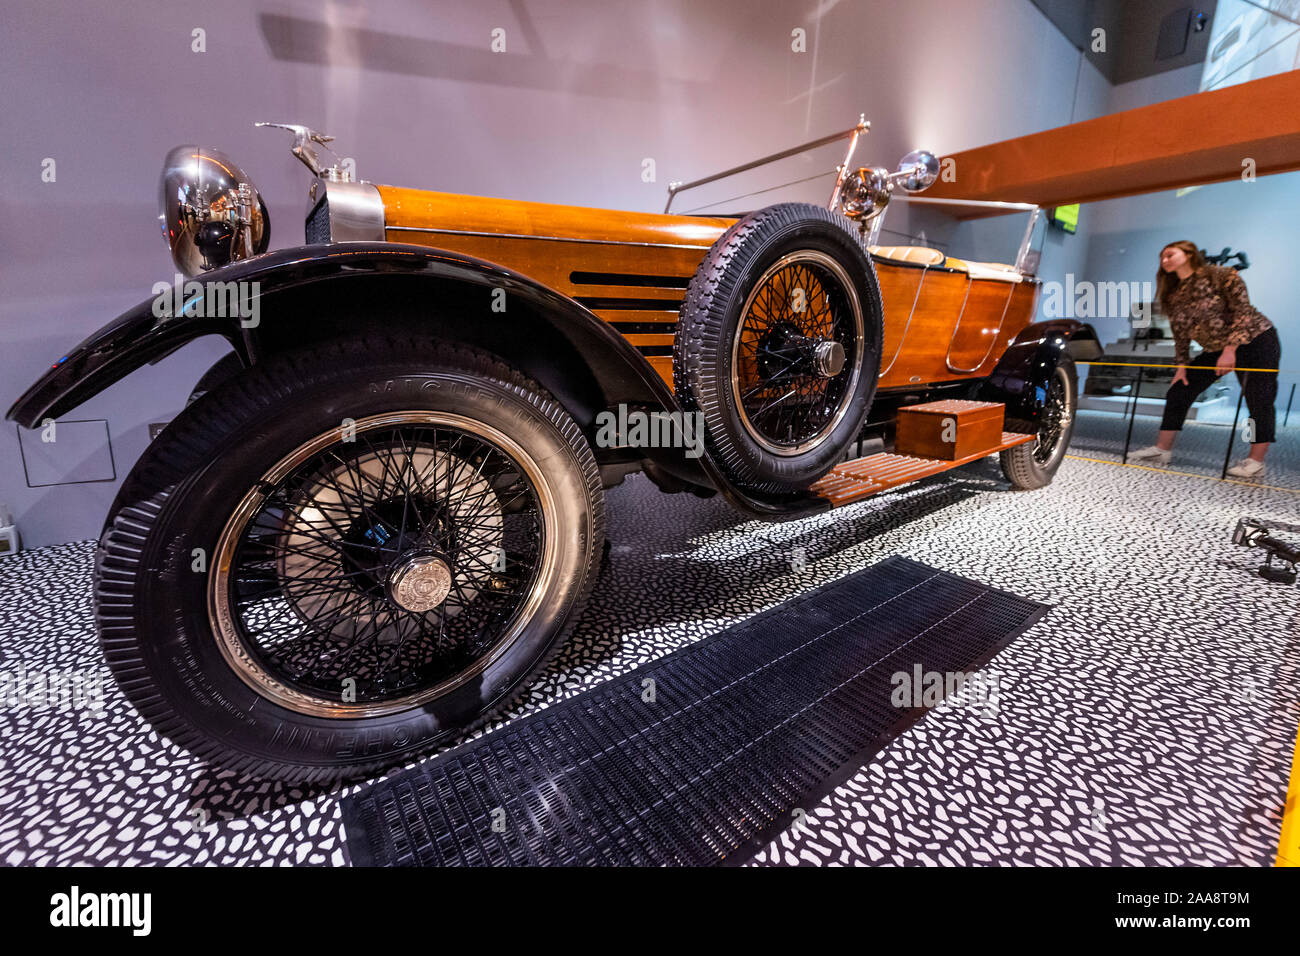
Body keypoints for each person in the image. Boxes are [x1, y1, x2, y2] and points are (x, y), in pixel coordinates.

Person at [1130, 241, 1280, 478]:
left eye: (1170, 254)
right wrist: (1182, 365)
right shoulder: (1174, 292)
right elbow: (1179, 330)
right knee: (1179, 389)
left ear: (1189, 254)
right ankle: (1162, 450)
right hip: (1218, 348)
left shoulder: (1220, 275)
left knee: (1259, 399)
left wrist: (1231, 350)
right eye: (1161, 257)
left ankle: (1256, 461)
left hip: (1255, 340)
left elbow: (1242, 311)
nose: (1164, 260)